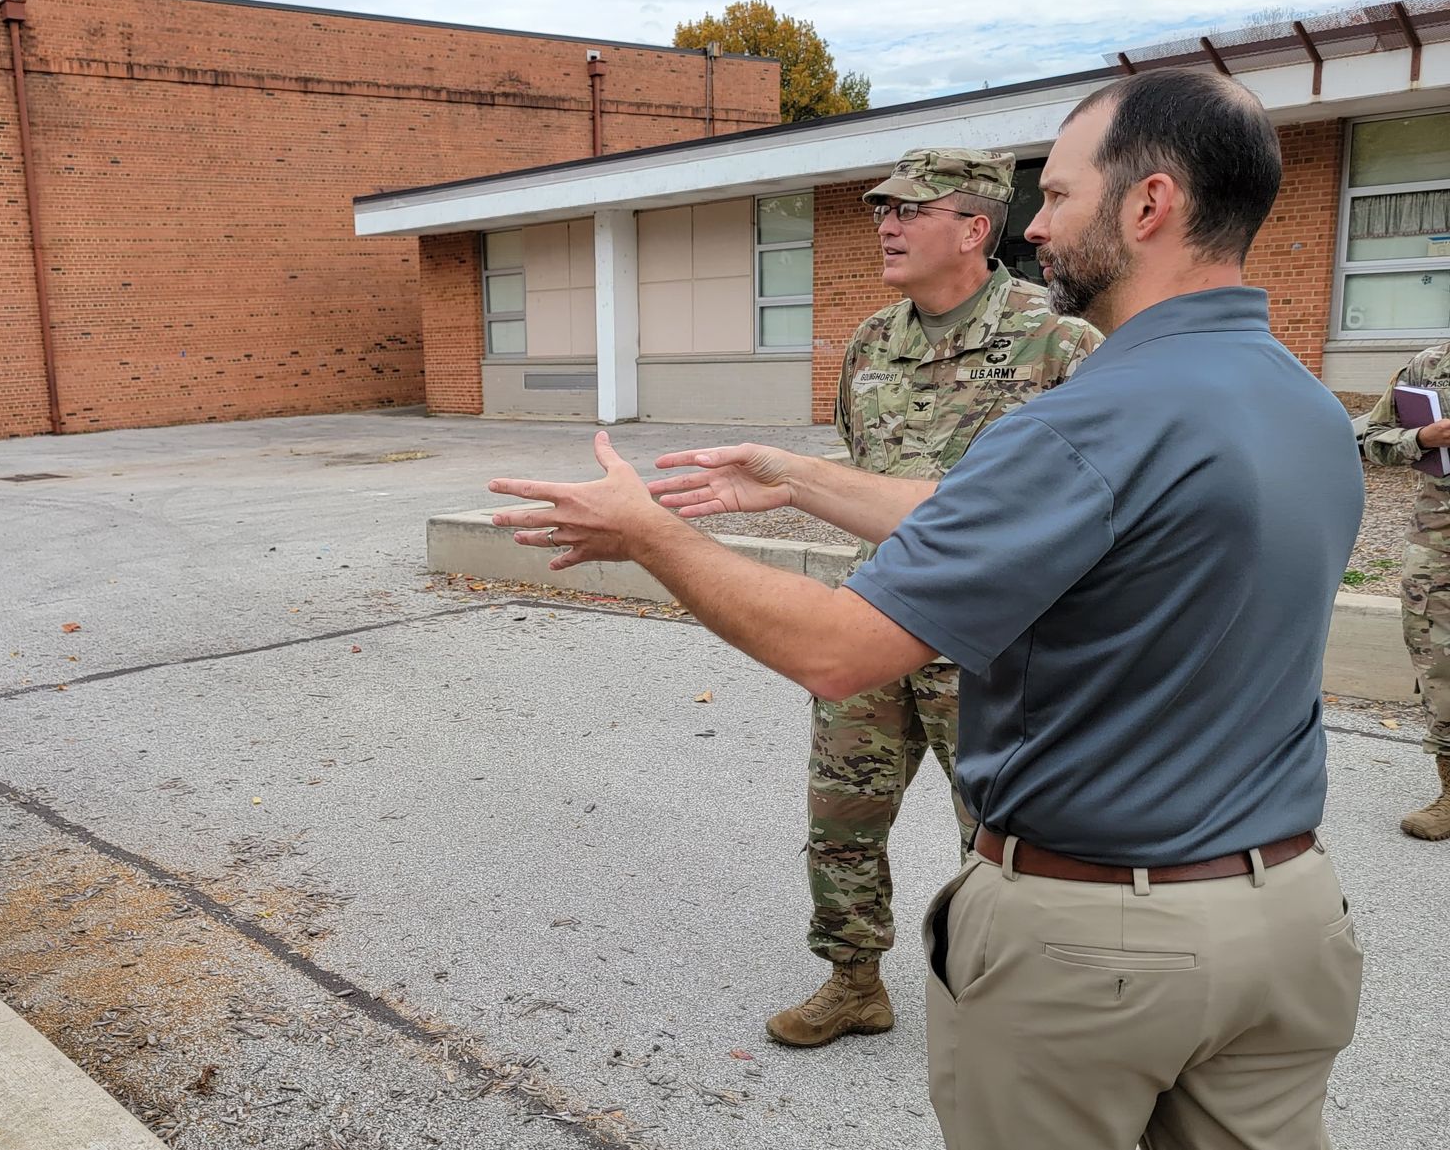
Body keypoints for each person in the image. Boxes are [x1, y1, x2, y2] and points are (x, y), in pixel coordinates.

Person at [489, 68, 1363, 1148]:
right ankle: (850, 971)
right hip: (1287, 917)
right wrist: (797, 478)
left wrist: (649, 535)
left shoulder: (1084, 414)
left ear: (1150, 205)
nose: (1035, 224)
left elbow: (837, 648)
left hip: (1103, 948)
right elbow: (1011, 515)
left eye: (1058, 194)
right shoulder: (1303, 405)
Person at [770, 148, 1101, 1049]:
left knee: (999, 831)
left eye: (911, 210)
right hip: (877, 617)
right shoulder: (872, 342)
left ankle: (1005, 1000)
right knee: (840, 812)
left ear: (975, 228)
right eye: (883, 209)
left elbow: (1091, 494)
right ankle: (852, 980)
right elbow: (862, 469)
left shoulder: (1060, 339)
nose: (887, 224)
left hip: (997, 640)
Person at [1360, 340, 1450, 839]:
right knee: (1439, 662)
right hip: (1438, 541)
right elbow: (1371, 440)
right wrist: (1422, 437)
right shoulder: (1428, 366)